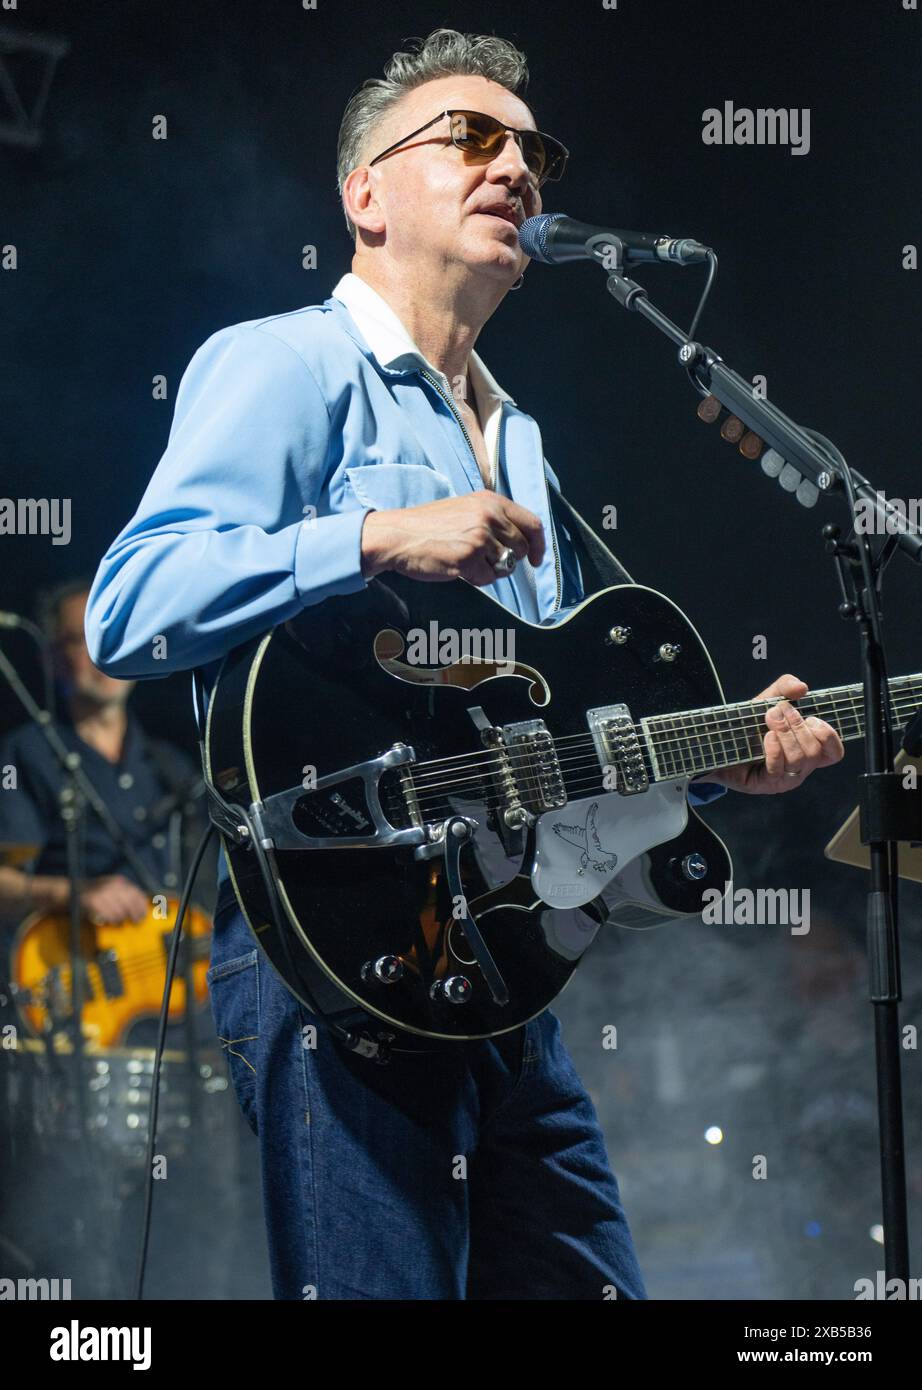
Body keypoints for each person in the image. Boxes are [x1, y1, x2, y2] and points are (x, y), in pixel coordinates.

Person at [83, 29, 844, 1299]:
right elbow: (131, 607)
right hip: (334, 956)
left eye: (533, 148)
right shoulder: (285, 362)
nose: (518, 167)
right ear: (364, 195)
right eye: (472, 137)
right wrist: (376, 533)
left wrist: (716, 766)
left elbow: (531, 745)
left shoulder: (520, 435)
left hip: (497, 977)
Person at [0, 578, 203, 930]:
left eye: (116, 635)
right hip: (77, 969)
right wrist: (72, 894)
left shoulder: (172, 764)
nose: (104, 652)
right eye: (84, 639)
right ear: (52, 659)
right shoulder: (27, 753)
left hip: (175, 971)